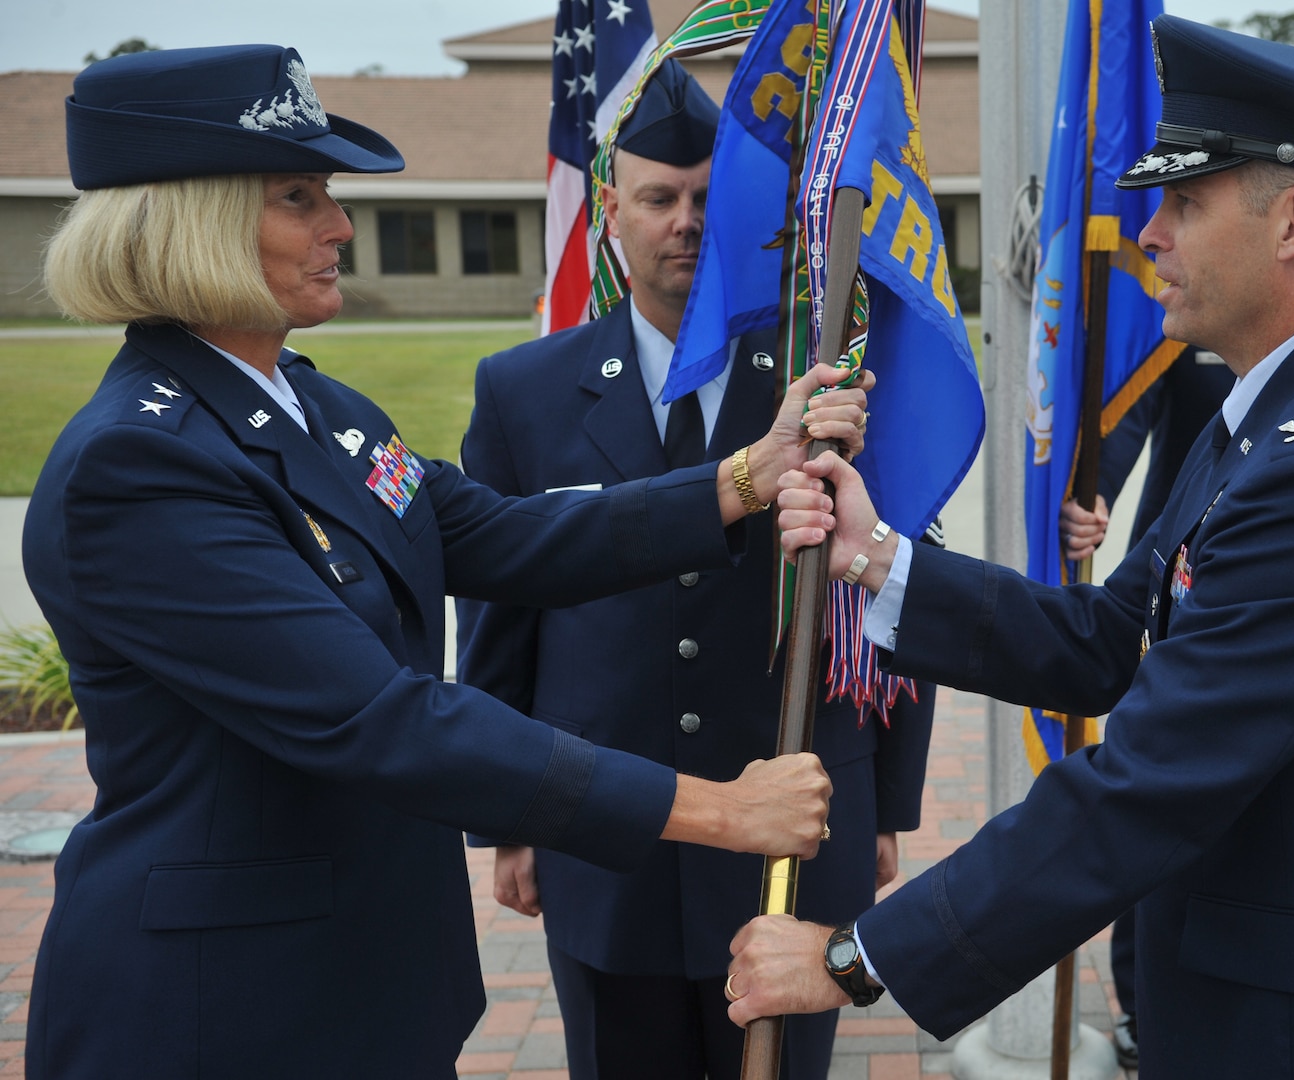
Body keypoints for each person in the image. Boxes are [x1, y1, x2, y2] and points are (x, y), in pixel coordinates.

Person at [21, 44, 872, 1079]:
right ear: (189, 222)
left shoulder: (310, 404)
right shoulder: (140, 467)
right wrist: (717, 809)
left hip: (353, 975)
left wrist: (741, 476)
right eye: (299, 195)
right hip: (226, 1009)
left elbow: (498, 533)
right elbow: (380, 719)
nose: (340, 225)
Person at [726, 17, 1294, 1079]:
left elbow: (1151, 781)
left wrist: (852, 958)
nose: (1147, 232)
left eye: (1184, 203)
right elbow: (1117, 635)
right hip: (1266, 1005)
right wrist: (876, 555)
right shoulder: (1279, 409)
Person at [455, 60, 935, 1080]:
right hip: (600, 832)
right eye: (657, 198)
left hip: (794, 829)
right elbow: (503, 607)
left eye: (707, 201)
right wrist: (508, 818)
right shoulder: (523, 393)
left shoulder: (828, 383)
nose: (681, 221)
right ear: (612, 215)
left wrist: (886, 805)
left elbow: (891, 591)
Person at [1057, 344, 1236, 1070]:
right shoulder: (1192, 332)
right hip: (1166, 571)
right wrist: (1094, 489)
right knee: (1153, 768)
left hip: (1232, 590)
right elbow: (1127, 403)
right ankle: (1137, 996)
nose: (1159, 236)